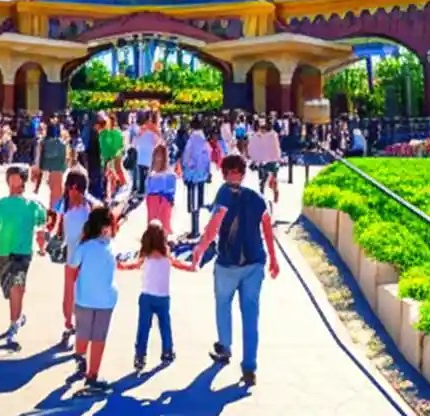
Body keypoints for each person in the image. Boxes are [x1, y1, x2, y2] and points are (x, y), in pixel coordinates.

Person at [191, 154, 281, 387]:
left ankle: (225, 346)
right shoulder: (256, 197)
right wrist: (273, 258)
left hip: (229, 262)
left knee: (223, 303)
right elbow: (267, 227)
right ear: (243, 172)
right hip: (254, 262)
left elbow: (215, 224)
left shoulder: (224, 193)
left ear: (224, 172)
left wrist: (200, 248)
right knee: (251, 314)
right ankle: (249, 367)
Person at [0, 165, 49, 348]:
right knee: (9, 289)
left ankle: (13, 325)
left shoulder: (32, 205)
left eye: (16, 177)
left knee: (16, 285)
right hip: (4, 252)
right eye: (9, 177)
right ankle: (19, 317)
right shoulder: (1, 205)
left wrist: (43, 244)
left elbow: (42, 225)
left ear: (23, 181)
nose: (12, 180)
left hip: (23, 253)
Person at [117, 220, 195, 370]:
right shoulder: (167, 255)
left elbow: (133, 265)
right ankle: (167, 351)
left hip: (146, 296)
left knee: (143, 327)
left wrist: (121, 266)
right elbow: (178, 264)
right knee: (165, 325)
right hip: (163, 297)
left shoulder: (145, 255)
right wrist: (190, 267)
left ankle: (140, 356)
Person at [71, 206, 118, 393]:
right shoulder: (111, 246)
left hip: (84, 298)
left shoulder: (83, 247)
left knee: (82, 334)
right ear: (106, 227)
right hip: (106, 300)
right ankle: (92, 375)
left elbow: (73, 266)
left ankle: (80, 358)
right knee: (99, 338)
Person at [54, 169, 100, 337]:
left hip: (87, 257)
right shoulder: (63, 203)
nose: (73, 191)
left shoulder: (90, 205)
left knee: (84, 291)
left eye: (77, 187)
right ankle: (68, 323)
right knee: (69, 291)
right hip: (71, 255)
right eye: (70, 187)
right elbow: (54, 222)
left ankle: (83, 322)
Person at [180, 117, 211, 240]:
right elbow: (208, 158)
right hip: (202, 174)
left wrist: (184, 170)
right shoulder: (204, 140)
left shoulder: (192, 140)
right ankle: (196, 228)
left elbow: (186, 158)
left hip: (192, 176)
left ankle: (195, 230)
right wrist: (208, 172)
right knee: (198, 202)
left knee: (193, 204)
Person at [143, 143, 176, 238]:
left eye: (160, 155)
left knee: (162, 229)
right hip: (152, 202)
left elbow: (171, 192)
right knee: (152, 228)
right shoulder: (151, 173)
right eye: (156, 154)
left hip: (163, 202)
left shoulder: (169, 174)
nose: (158, 157)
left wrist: (166, 202)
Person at [247, 118, 283, 205]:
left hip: (272, 161)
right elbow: (255, 146)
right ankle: (262, 196)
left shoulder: (273, 136)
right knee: (263, 180)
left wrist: (277, 158)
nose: (261, 130)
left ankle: (275, 196)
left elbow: (276, 148)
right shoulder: (260, 136)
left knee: (272, 180)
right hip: (263, 161)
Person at [132, 111, 161, 196]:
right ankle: (145, 191)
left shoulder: (145, 131)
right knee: (145, 175)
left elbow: (134, 144)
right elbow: (158, 142)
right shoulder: (146, 131)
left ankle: (143, 191)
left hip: (145, 157)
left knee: (143, 175)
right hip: (147, 157)